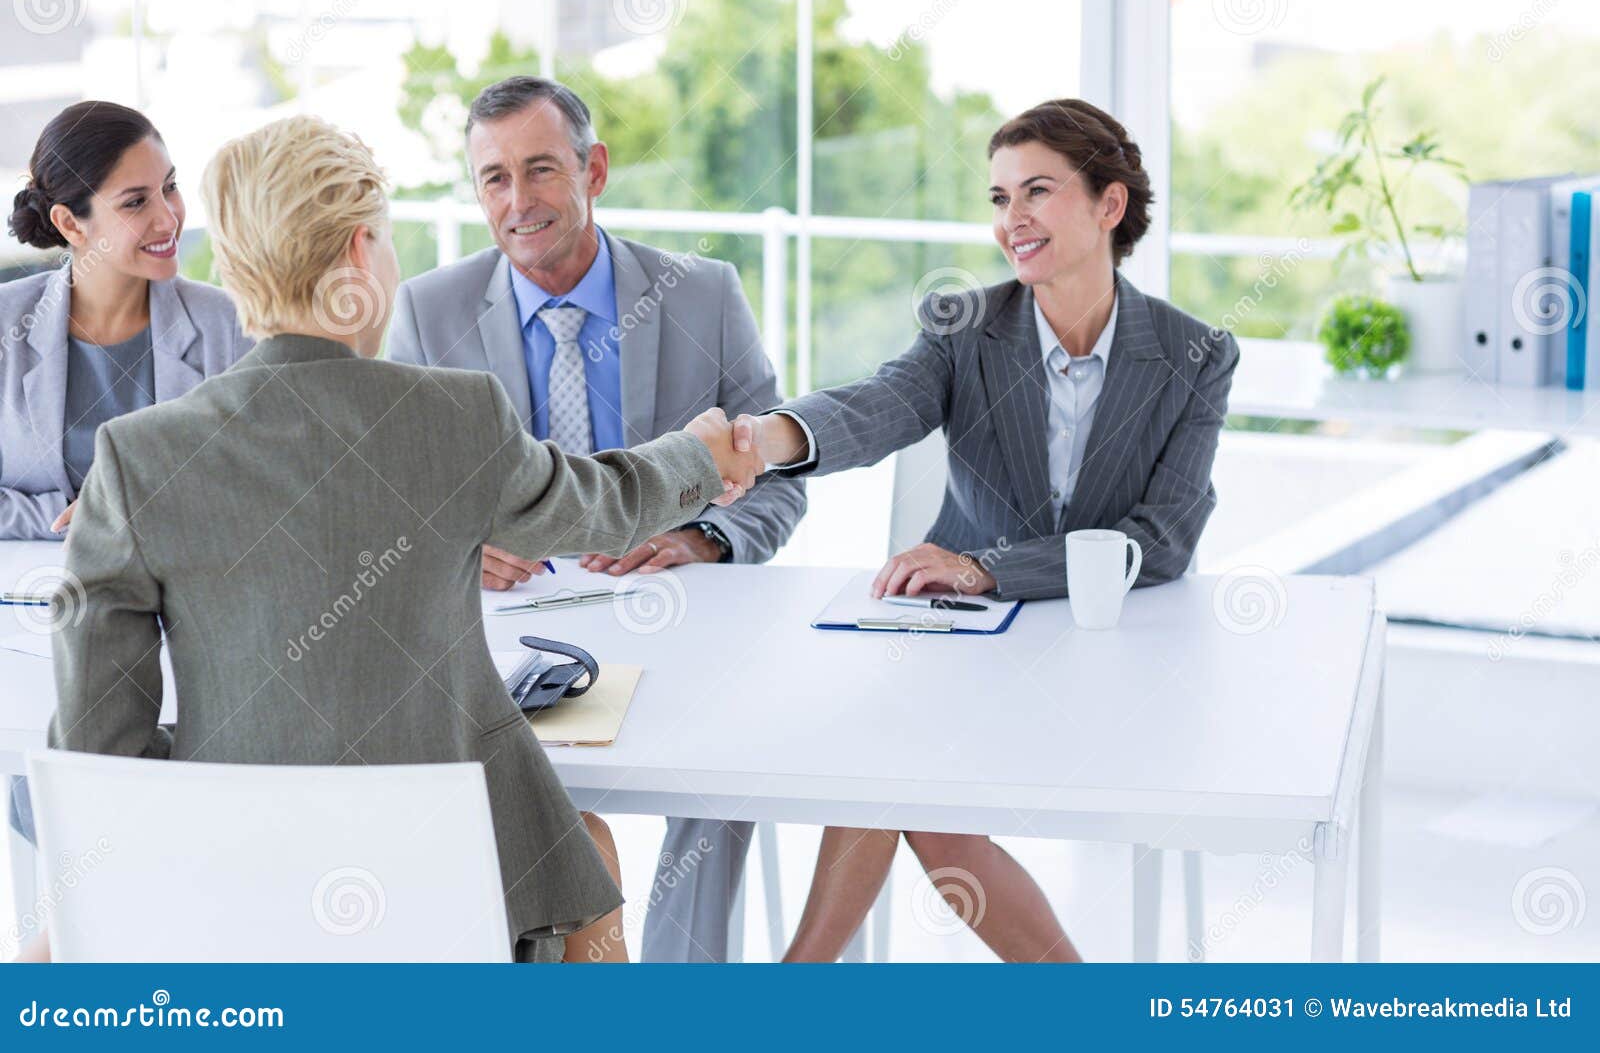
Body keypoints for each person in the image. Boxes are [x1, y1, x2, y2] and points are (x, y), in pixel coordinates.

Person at [36, 115, 763, 963]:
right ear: (357, 251)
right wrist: (701, 458)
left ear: (232, 267)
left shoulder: (136, 454)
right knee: (583, 862)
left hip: (238, 912)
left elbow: (95, 742)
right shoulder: (455, 413)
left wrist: (228, 766)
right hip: (442, 908)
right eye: (384, 241)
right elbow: (600, 503)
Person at [732, 98, 1240, 961]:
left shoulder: (1196, 356)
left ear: (1109, 205)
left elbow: (1160, 541)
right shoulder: (962, 326)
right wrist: (764, 439)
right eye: (999, 198)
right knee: (891, 767)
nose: (1013, 221)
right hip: (964, 653)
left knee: (903, 779)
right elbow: (881, 403)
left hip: (1110, 649)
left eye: (1036, 191)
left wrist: (980, 566)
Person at [386, 75, 805, 962]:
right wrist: (453, 540)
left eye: (541, 170)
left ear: (595, 170)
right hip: (512, 641)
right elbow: (389, 495)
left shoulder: (701, 293)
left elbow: (778, 476)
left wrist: (706, 534)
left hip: (679, 618)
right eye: (494, 177)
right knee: (521, 789)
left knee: (715, 774)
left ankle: (682, 992)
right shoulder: (430, 311)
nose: (518, 200)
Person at [2, 101, 250, 941]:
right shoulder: (8, 329)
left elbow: (255, 483)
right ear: (71, 221)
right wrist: (67, 516)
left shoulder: (218, 324)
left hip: (200, 631)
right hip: (47, 628)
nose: (170, 217)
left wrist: (146, 511)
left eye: (171, 189)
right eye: (137, 201)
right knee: (73, 814)